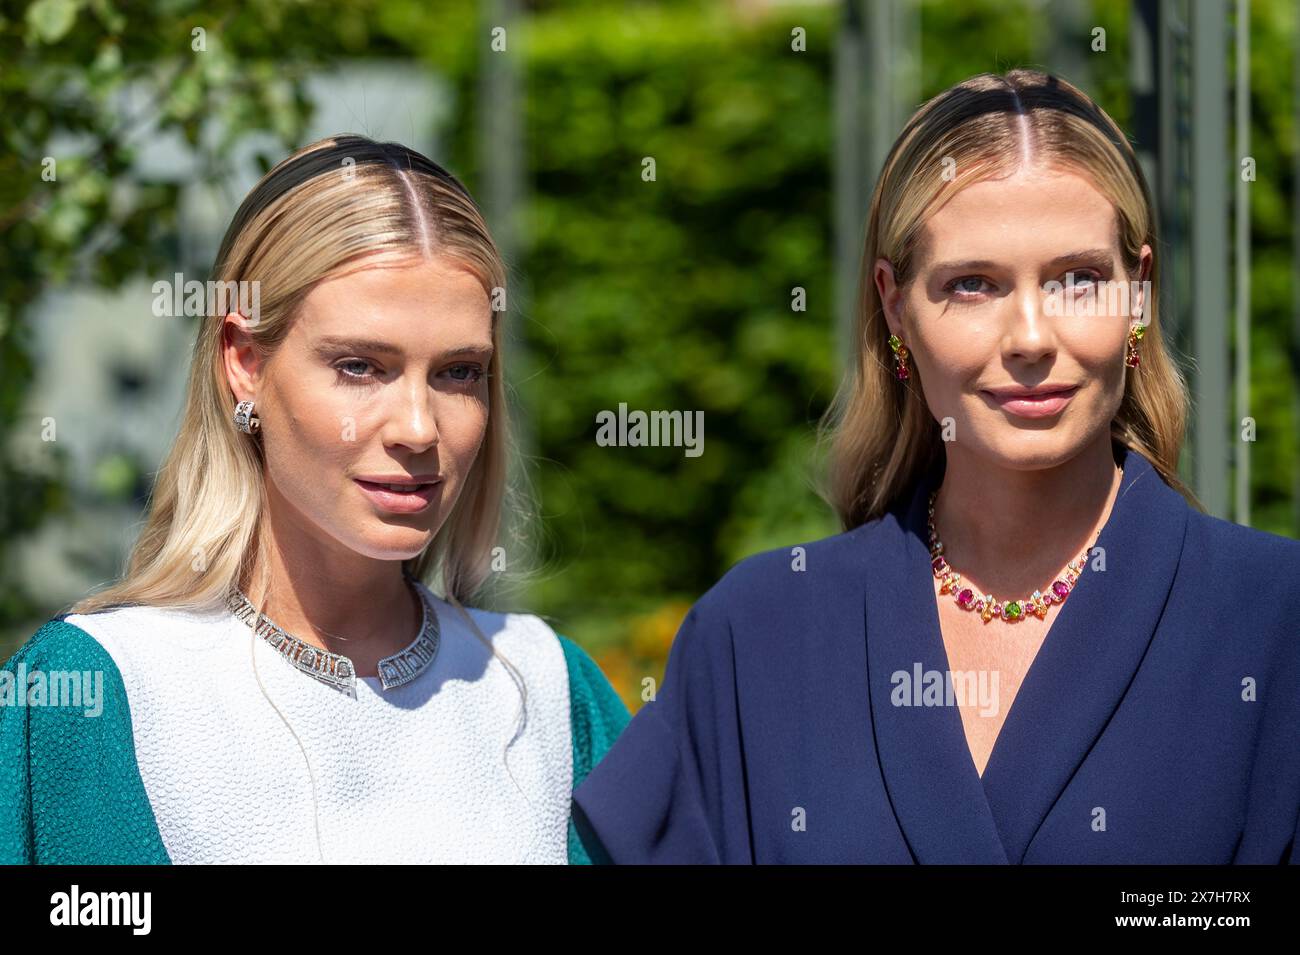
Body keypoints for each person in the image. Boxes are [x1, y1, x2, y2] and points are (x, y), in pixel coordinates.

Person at [572, 70, 1300, 864]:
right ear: (894, 305)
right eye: (973, 285)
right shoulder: (758, 635)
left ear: (1139, 295)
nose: (1030, 336)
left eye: (1078, 279)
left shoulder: (1273, 619)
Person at [0, 134, 628, 864]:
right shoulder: (101, 691)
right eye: (361, 366)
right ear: (245, 362)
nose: (420, 427)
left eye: (458, 372)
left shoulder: (546, 688)